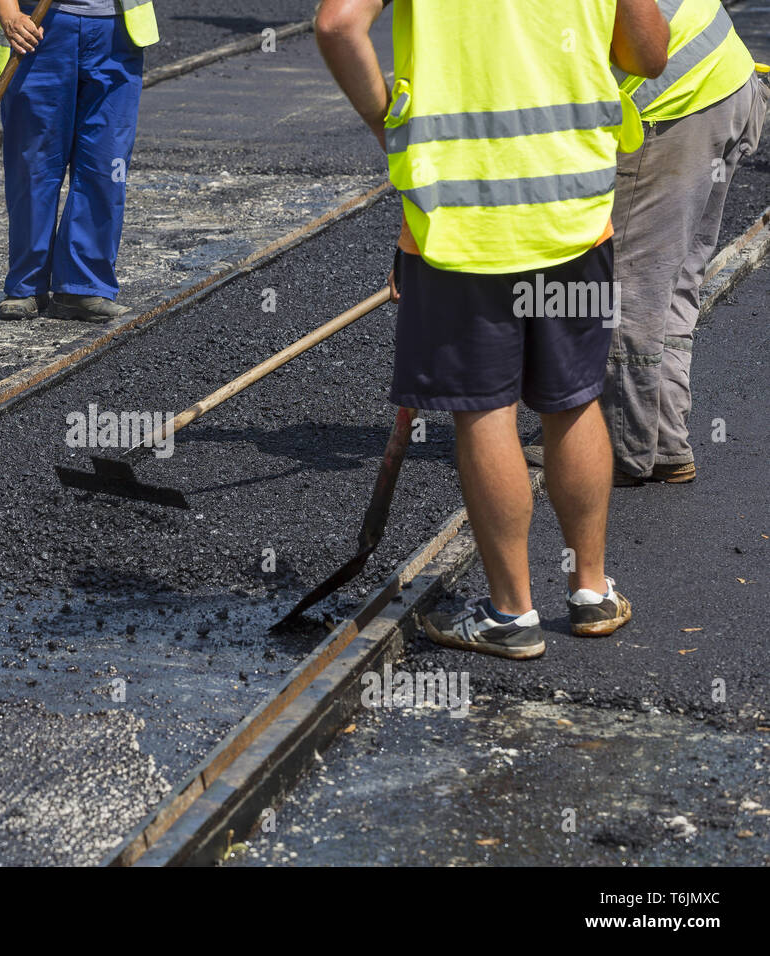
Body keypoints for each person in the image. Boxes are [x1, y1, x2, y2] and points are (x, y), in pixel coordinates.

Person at [315, 0, 669, 659]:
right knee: (573, 399)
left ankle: (511, 614)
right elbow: (648, 54)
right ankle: (590, 590)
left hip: (463, 215)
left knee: (484, 410)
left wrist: (391, 124)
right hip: (572, 207)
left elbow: (338, 24)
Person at [605, 0, 769, 486]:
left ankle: (621, 447)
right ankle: (663, 441)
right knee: (671, 279)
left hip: (670, 105)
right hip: (725, 84)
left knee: (622, 289)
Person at [0, 0, 158, 322]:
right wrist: (9, 14)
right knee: (34, 165)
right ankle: (27, 286)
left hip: (114, 33)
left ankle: (82, 287)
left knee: (105, 165)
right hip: (38, 28)